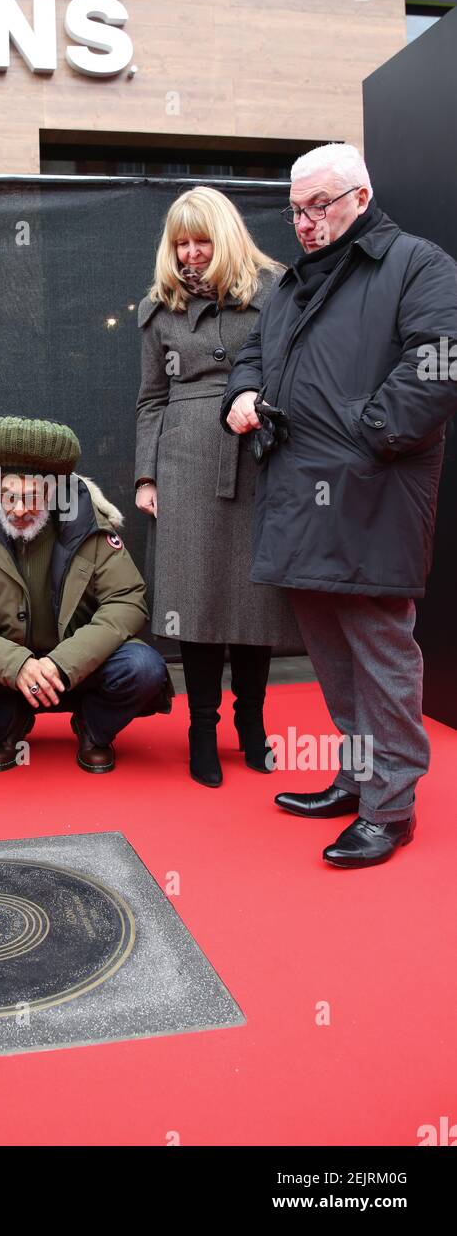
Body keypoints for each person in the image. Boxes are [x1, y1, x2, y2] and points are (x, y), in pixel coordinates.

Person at [221, 142, 457, 867]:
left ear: (360, 196)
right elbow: (253, 352)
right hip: (297, 496)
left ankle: (392, 808)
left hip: (373, 494)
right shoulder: (292, 284)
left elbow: (439, 360)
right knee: (331, 655)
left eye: (318, 205)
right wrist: (242, 394)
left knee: (382, 654)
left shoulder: (417, 263)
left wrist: (367, 437)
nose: (304, 222)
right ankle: (357, 780)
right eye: (295, 209)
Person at [135, 186, 300, 788]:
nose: (191, 253)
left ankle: (251, 726)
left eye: (202, 240)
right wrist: (146, 476)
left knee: (254, 600)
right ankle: (200, 729)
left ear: (226, 236)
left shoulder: (278, 291)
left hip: (260, 455)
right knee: (198, 601)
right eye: (180, 242)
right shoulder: (159, 308)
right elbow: (151, 398)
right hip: (183, 463)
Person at [0, 416, 169, 772]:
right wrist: (16, 664)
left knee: (145, 668)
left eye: (31, 497)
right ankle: (8, 726)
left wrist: (63, 663)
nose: (20, 510)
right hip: (4, 678)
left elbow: (128, 601)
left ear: (53, 492)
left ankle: (92, 729)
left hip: (78, 673)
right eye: (9, 497)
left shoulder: (91, 526)